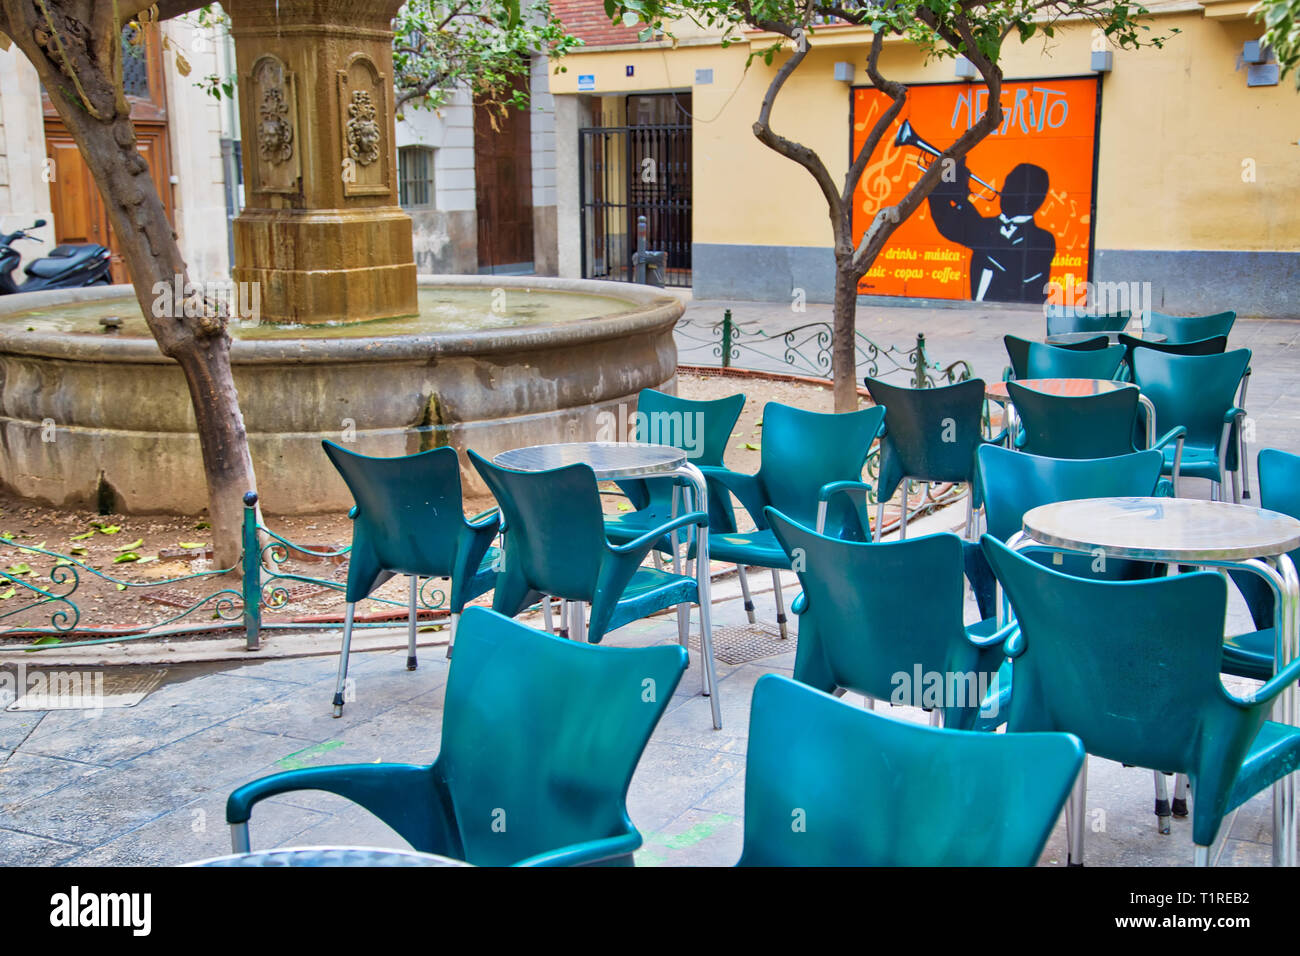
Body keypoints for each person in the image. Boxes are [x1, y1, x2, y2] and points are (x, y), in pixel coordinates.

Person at [927, 160, 1055, 303]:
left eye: (1014, 186)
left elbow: (1007, 264)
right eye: (1007, 183)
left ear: (1031, 198)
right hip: (979, 317)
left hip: (1020, 318)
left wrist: (963, 201)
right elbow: (945, 222)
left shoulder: (1044, 240)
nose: (1004, 191)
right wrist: (943, 178)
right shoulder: (987, 226)